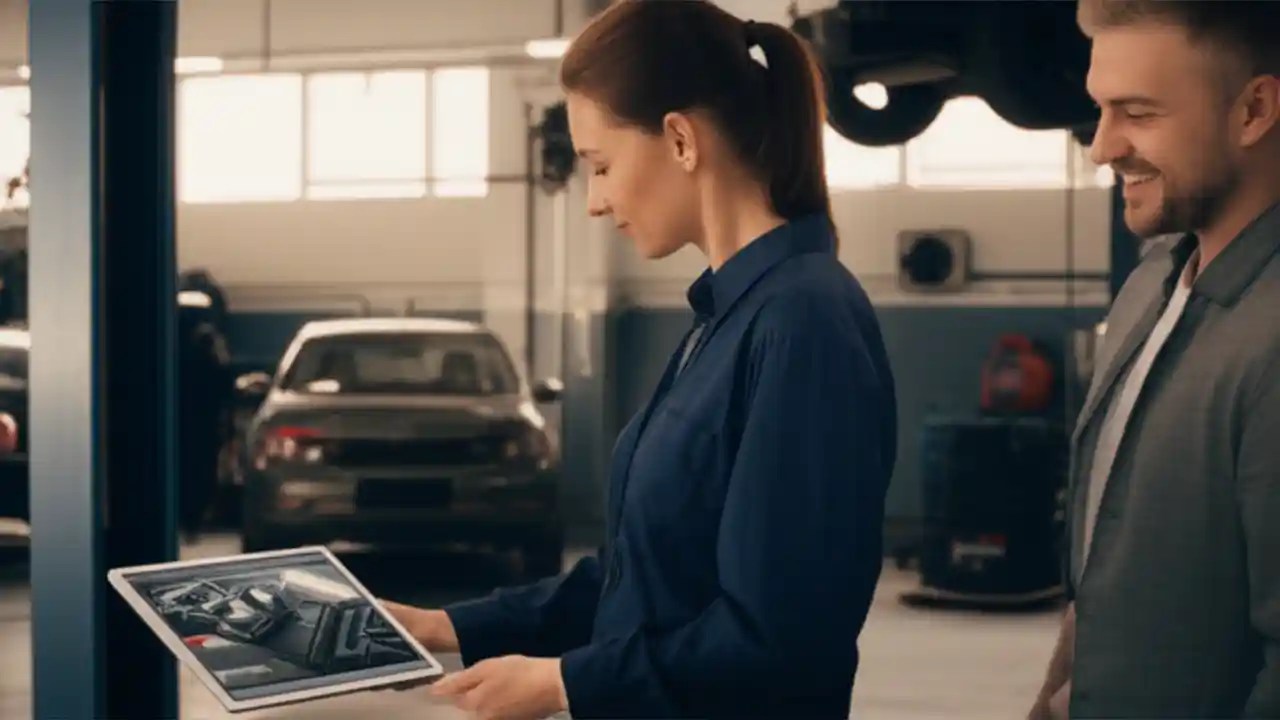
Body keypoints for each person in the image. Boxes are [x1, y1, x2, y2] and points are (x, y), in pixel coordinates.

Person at [382, 1, 898, 718]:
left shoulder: (802, 323)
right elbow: (646, 576)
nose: (596, 201)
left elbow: (780, 640)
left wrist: (563, 682)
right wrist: (446, 627)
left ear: (681, 140)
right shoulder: (722, 320)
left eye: (600, 165)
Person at [1029, 2, 1280, 718]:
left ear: (1254, 110)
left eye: (1137, 113)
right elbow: (1105, 566)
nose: (1102, 147)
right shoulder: (1149, 286)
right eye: (1101, 111)